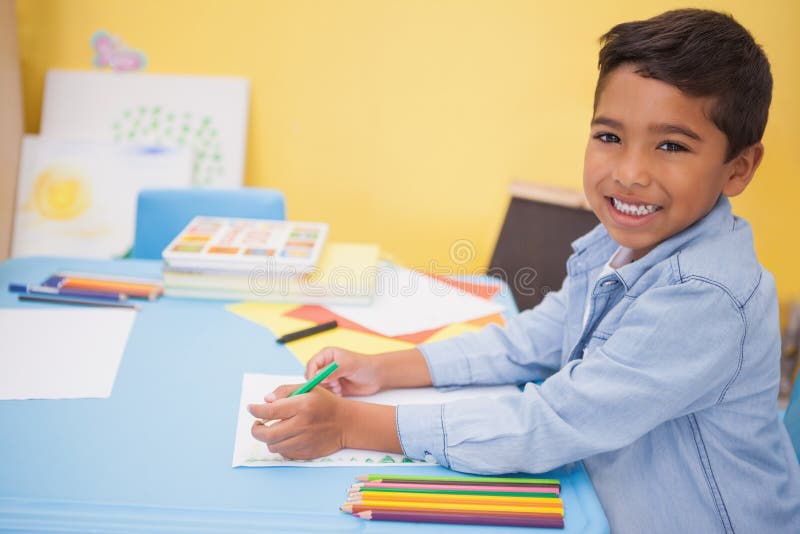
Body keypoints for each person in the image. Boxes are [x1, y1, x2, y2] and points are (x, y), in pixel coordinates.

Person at [248, 8, 800, 532]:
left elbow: (550, 422)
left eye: (672, 146)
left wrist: (350, 424)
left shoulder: (703, 296)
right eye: (609, 136)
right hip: (602, 500)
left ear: (739, 168)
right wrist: (385, 368)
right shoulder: (623, 243)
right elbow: (533, 339)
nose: (630, 172)